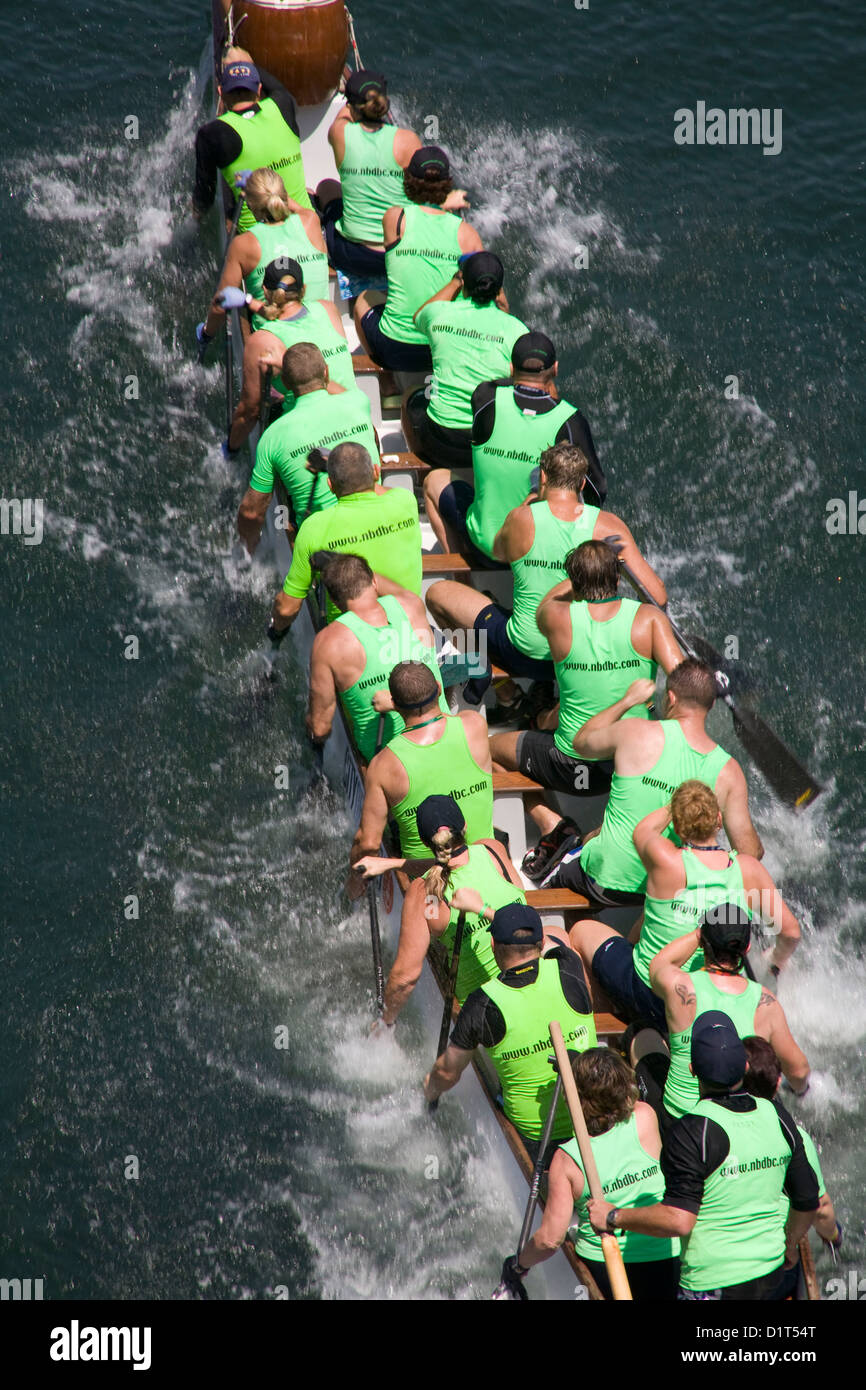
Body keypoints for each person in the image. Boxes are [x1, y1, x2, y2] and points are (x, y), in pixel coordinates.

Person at [586, 1011, 820, 1301]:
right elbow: (808, 1200)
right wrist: (789, 1244)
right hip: (771, 1276)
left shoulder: (690, 1131)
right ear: (745, 1066)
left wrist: (613, 1215)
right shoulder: (777, 1114)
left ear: (693, 1069)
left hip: (712, 1285)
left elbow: (678, 1219)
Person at [488, 538, 682, 873]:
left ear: (575, 583)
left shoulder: (555, 618)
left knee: (487, 748)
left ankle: (552, 824)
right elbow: (682, 685)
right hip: (630, 764)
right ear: (618, 579)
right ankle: (603, 837)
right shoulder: (650, 620)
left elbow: (548, 601)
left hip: (570, 765)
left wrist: (579, 574)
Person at [571, 779, 802, 1032]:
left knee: (581, 930)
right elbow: (790, 932)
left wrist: (677, 804)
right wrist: (774, 961)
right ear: (719, 820)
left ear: (678, 826)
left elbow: (643, 831)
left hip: (651, 996)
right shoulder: (749, 871)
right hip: (711, 1006)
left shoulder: (665, 862)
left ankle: (611, 1026)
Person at [544, 659, 763, 915]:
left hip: (602, 880)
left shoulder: (634, 731)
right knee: (598, 834)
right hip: (666, 891)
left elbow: (580, 742)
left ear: (670, 698)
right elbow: (750, 855)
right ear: (712, 704)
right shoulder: (729, 771)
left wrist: (627, 700)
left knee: (550, 889)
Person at [501, 1048, 679, 1301]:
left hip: (603, 1264)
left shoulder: (566, 1159)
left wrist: (518, 1265)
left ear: (575, 1098)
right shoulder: (645, 1117)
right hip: (665, 1256)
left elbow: (550, 1239)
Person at [423, 904, 597, 1163]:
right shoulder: (568, 965)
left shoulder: (481, 1003)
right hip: (595, 1122)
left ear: (493, 945)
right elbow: (552, 942)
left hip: (537, 1141)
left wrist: (429, 1090)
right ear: (539, 943)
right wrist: (484, 909)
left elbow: (448, 1073)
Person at [356, 795, 527, 1028]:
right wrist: (392, 864)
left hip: (486, 1014)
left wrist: (386, 1022)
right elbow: (458, 861)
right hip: (532, 985)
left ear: (426, 843)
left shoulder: (423, 893)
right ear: (464, 827)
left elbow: (405, 978)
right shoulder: (493, 849)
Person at [646, 905, 810, 1122]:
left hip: (682, 1116)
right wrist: (800, 1091)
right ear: (748, 947)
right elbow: (799, 1071)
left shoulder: (681, 987)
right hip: (739, 1119)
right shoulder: (765, 1002)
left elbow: (658, 964)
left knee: (642, 1034)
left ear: (704, 942)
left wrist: (699, 933)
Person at [459, 332, 607, 562]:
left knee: (437, 481)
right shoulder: (570, 420)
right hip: (534, 549)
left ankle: (465, 566)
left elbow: (498, 384)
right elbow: (596, 493)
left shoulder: (486, 398)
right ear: (555, 369)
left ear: (511, 368)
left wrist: (527, 384)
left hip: (484, 544)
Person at [348, 662, 493, 890]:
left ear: (395, 704)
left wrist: (353, 882)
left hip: (431, 889)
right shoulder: (475, 725)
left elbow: (368, 843)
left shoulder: (382, 765)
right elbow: (440, 719)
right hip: (487, 869)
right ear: (438, 688)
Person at [236, 347, 379, 553]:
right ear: (327, 373)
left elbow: (251, 513)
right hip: (374, 521)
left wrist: (248, 545)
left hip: (323, 542)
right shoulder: (358, 401)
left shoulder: (272, 436)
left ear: (285, 384)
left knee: (283, 483)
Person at [305, 553, 447, 762]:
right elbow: (385, 586)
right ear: (373, 581)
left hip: (390, 763)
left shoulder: (328, 642)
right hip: (442, 738)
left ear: (334, 600)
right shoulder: (411, 604)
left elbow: (320, 727)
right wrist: (344, 564)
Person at [354, 146, 483, 372]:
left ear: (408, 179)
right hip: (444, 350)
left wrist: (440, 202)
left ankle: (385, 378)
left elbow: (419, 211)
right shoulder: (467, 234)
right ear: (447, 184)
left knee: (364, 299)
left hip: (394, 349)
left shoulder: (395, 219)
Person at [270, 440, 421, 633]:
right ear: (376, 472)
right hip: (410, 629)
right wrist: (349, 469)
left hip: (352, 644)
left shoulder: (313, 528)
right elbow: (377, 489)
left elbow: (286, 609)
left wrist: (276, 628)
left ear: (330, 485)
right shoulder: (405, 501)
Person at [403, 253, 528, 470]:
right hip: (490, 442)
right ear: (499, 290)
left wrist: (455, 282)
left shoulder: (438, 314)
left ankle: (424, 468)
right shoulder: (516, 329)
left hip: (443, 441)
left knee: (411, 395)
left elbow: (418, 316)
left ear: (465, 285)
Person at [226, 258, 355, 453]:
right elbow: (289, 313)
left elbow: (249, 413)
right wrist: (250, 303)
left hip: (311, 443)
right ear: (303, 288)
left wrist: (230, 448)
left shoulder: (262, 340)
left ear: (266, 291)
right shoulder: (328, 309)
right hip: (353, 422)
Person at [198, 168, 329, 353]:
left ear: (250, 206)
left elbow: (220, 304)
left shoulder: (244, 244)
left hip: (278, 348)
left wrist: (206, 334)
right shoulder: (311, 220)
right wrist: (262, 189)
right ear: (283, 196)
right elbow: (288, 204)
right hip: (322, 337)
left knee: (240, 303)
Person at [742, 1036, 842, 1274]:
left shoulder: (711, 1129)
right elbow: (820, 1209)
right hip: (775, 1256)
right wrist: (834, 1237)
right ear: (778, 1083)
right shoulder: (795, 1137)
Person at [317, 71, 420, 280]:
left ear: (352, 107)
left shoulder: (340, 134)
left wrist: (349, 96)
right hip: (399, 255)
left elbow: (343, 117)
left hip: (355, 256)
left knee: (326, 187)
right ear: (385, 102)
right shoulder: (408, 140)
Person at [192, 50, 311, 230]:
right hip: (304, 226)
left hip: (255, 243)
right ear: (259, 90)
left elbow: (205, 197)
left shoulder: (211, 134)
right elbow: (277, 87)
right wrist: (248, 64)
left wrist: (196, 215)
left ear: (220, 92)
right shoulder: (283, 104)